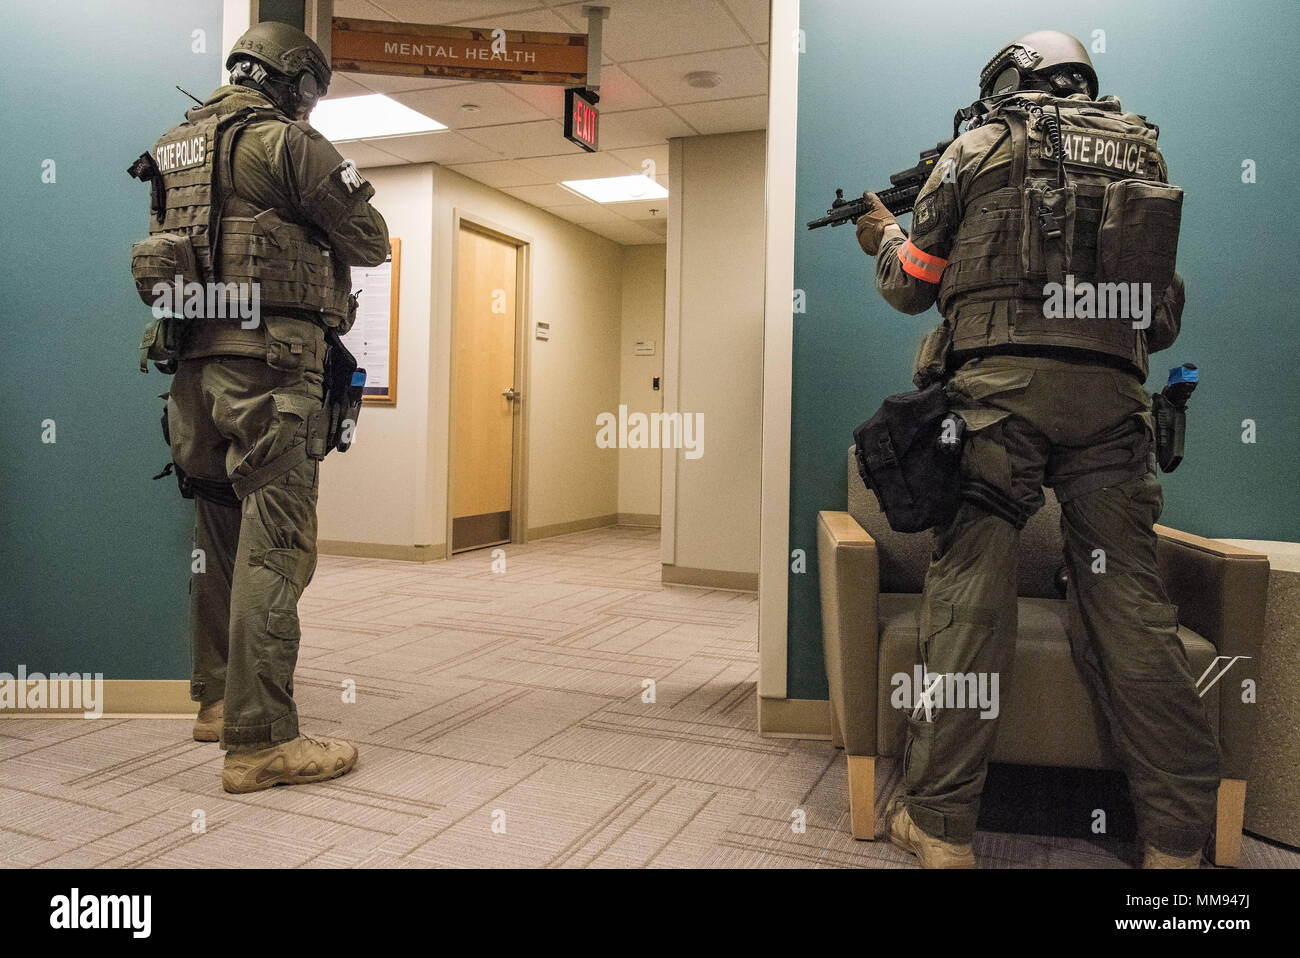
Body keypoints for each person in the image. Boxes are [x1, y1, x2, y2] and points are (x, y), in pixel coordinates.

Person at [853, 30, 1218, 868]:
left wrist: (881, 236)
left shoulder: (978, 144)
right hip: (1112, 408)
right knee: (1131, 607)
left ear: (1005, 78)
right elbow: (1162, 320)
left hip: (996, 406)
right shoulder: (1144, 158)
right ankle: (1175, 844)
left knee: (970, 599)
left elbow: (912, 282)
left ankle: (941, 828)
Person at [130, 20, 389, 793]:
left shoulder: (174, 145)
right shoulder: (285, 144)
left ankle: (216, 700)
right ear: (290, 78)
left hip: (192, 375)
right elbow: (370, 238)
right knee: (274, 547)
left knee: (215, 534)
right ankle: (260, 741)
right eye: (307, 92)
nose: (308, 107)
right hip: (269, 374)